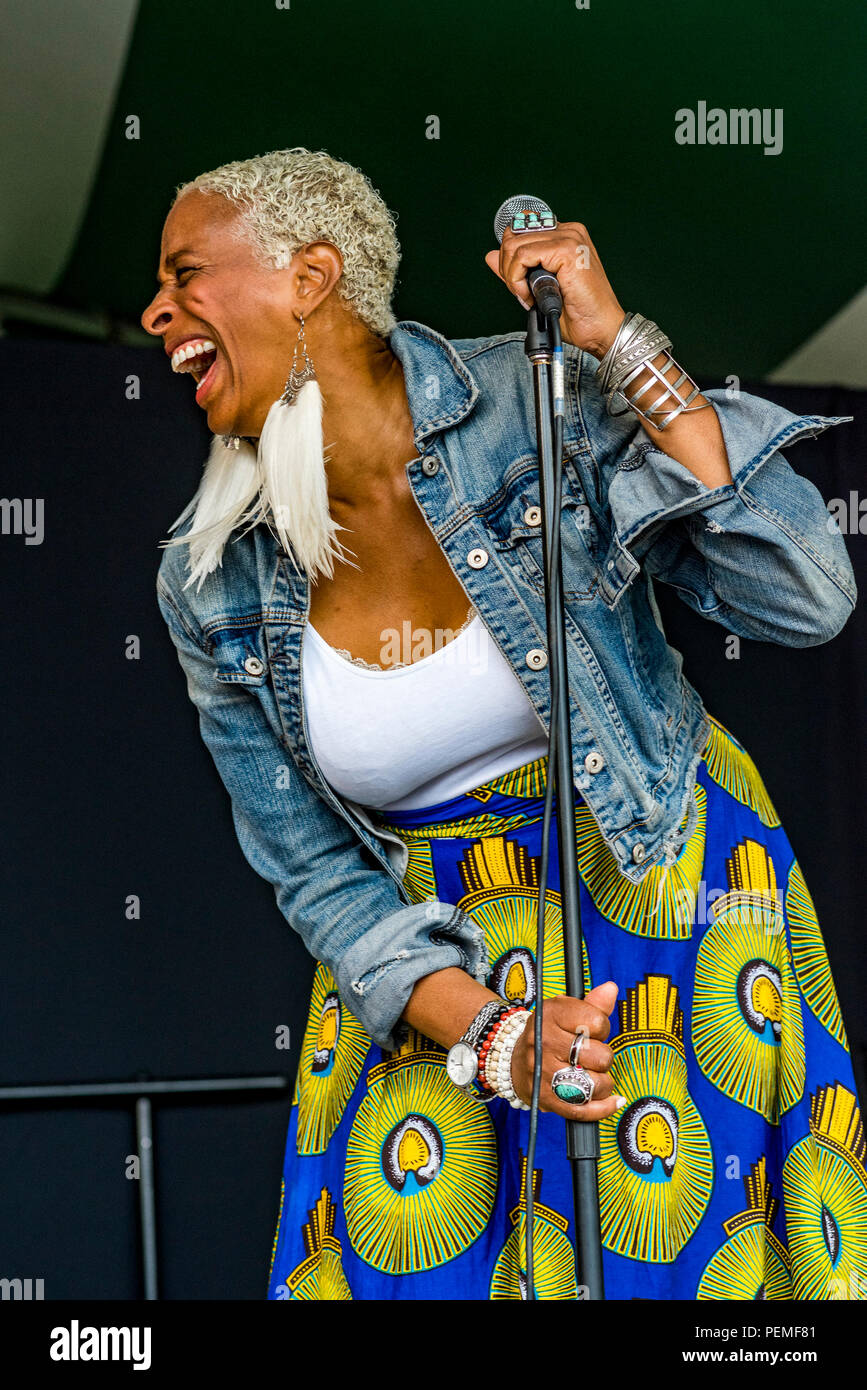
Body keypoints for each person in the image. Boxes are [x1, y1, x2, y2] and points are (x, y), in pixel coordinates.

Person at [144, 147, 865, 1301]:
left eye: (186, 274)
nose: (156, 312)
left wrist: (620, 346)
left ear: (312, 276)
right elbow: (318, 873)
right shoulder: (211, 583)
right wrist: (489, 1036)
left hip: (659, 902)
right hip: (436, 971)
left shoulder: (538, 405)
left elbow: (808, 594)